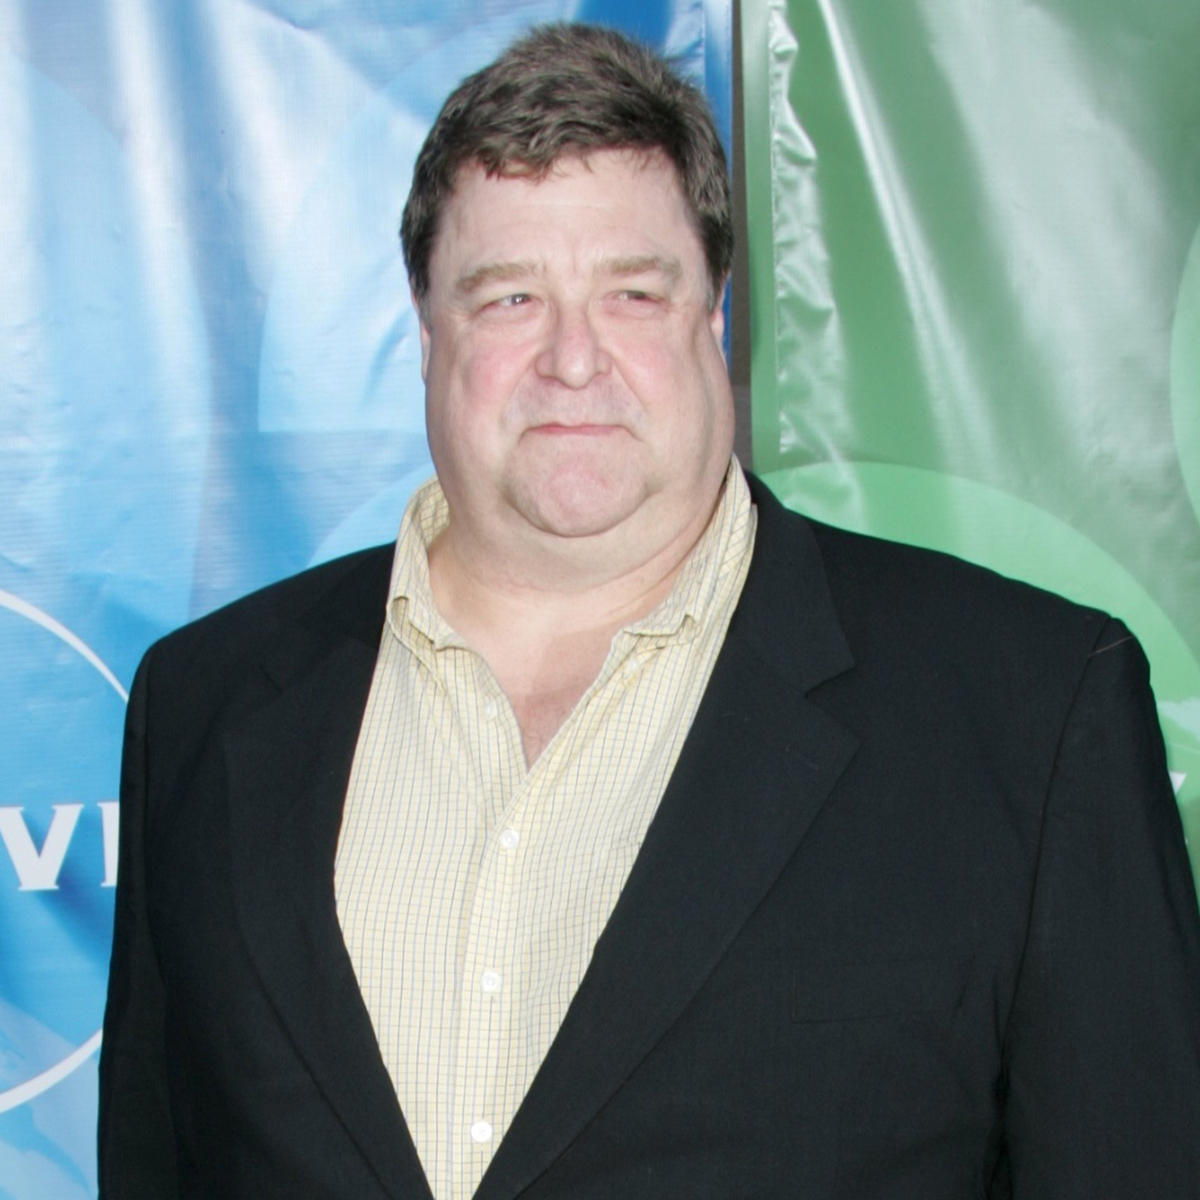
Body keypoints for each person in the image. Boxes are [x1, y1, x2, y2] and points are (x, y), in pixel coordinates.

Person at [98, 22, 1200, 1200]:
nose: (573, 360)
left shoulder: (1028, 711)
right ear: (424, 336)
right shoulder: (203, 706)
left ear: (714, 316)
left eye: (632, 292)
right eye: (509, 296)